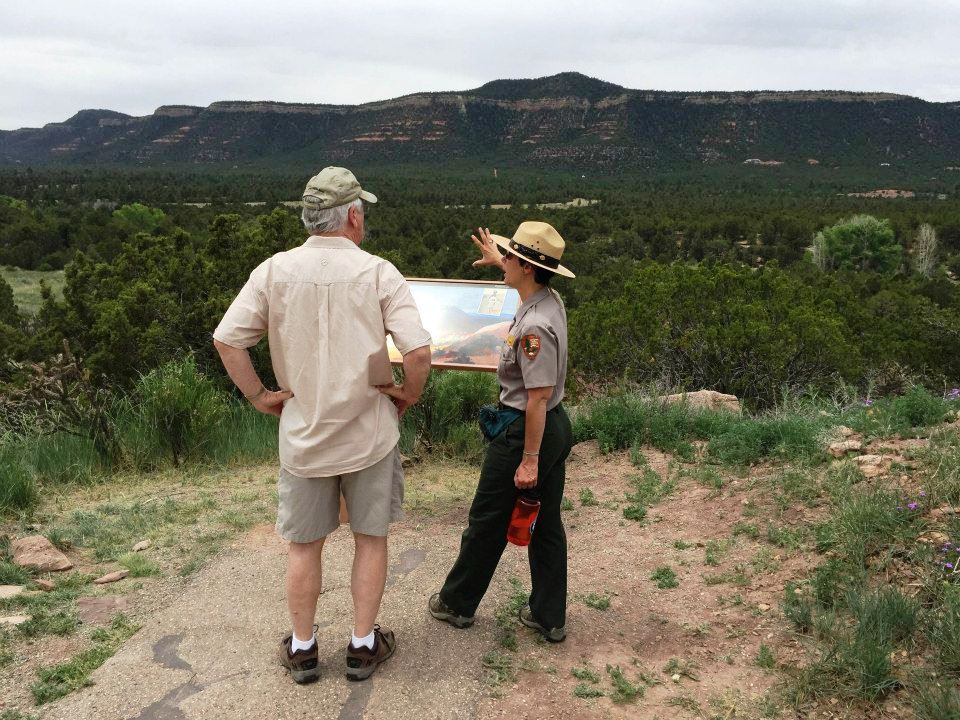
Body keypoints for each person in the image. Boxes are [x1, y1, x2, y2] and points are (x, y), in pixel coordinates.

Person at [212, 167, 432, 683]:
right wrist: (407, 395)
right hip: (369, 435)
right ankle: (361, 645)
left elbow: (228, 340)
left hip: (304, 436)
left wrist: (261, 396)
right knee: (370, 538)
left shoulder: (273, 271)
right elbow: (418, 352)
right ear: (353, 215)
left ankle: (304, 649)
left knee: (304, 545)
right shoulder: (379, 272)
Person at [428, 221, 575, 642]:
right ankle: (549, 617)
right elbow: (525, 286)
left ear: (527, 267)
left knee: (488, 517)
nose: (503, 260)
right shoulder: (547, 300)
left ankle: (457, 603)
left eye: (511, 257)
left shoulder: (533, 329)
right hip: (551, 426)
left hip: (526, 430)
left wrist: (528, 459)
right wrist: (502, 262)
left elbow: (537, 398)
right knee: (546, 523)